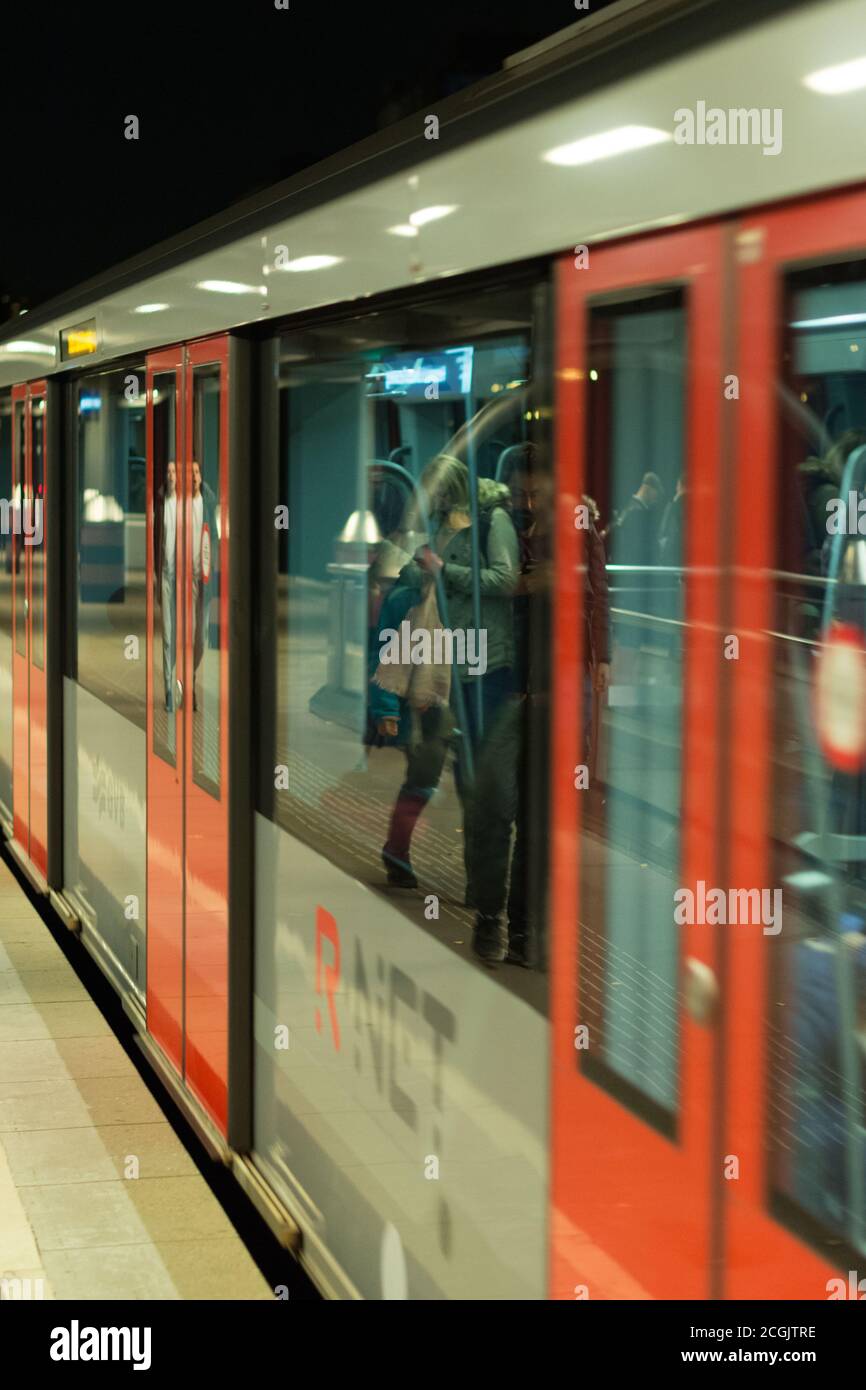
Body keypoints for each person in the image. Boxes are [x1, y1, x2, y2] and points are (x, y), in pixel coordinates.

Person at [191, 460, 217, 713]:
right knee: (185, 631)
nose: (194, 477)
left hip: (204, 578)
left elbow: (215, 539)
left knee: (201, 636)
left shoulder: (208, 502)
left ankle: (191, 675)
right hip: (184, 580)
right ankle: (186, 682)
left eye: (197, 472)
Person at [155, 460, 177, 712]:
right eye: (168, 471)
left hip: (186, 577)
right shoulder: (162, 503)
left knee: (190, 637)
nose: (170, 475)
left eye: (174, 472)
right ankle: (170, 689)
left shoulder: (191, 503)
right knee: (169, 637)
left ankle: (185, 685)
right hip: (167, 576)